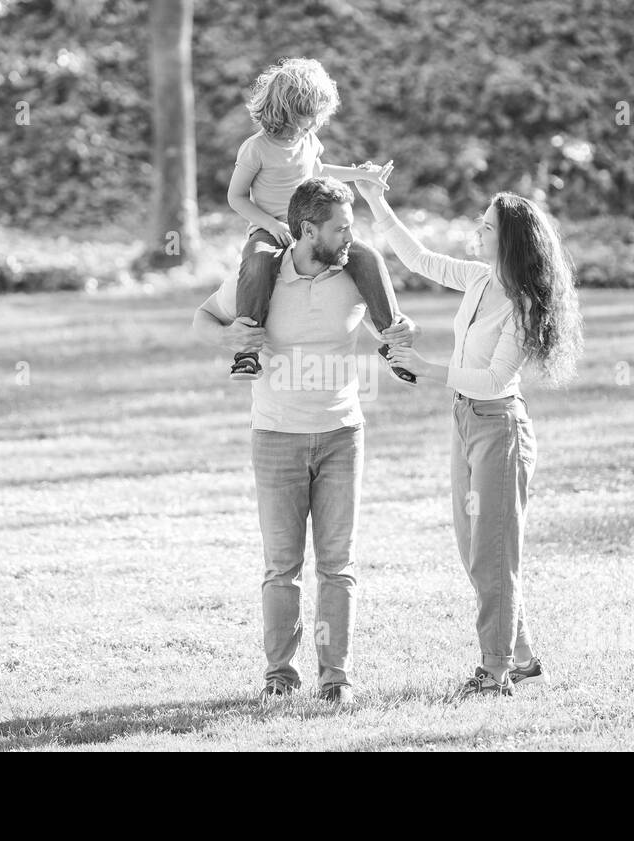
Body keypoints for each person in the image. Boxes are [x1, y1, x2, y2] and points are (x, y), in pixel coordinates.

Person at [354, 166, 584, 697]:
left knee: (493, 553)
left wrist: (424, 366)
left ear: (508, 241)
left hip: (499, 427)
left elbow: (494, 378)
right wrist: (375, 201)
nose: (475, 234)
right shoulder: (481, 279)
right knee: (473, 547)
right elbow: (418, 259)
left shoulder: (523, 304)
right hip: (465, 421)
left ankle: (494, 671)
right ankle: (521, 657)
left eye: (485, 228)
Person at [192, 177, 418, 706]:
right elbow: (202, 318)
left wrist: (402, 340)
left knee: (338, 564)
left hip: (342, 434)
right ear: (308, 230)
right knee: (282, 567)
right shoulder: (263, 275)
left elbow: (395, 325)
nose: (350, 236)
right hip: (276, 436)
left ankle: (335, 676)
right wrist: (228, 337)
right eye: (341, 227)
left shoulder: (357, 272)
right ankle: (280, 674)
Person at [225, 57, 416, 385]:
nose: (314, 122)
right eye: (308, 114)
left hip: (313, 227)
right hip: (271, 228)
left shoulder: (307, 141)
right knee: (257, 262)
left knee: (367, 257)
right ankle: (247, 353)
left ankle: (392, 342)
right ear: (286, 108)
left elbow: (319, 171)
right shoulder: (255, 149)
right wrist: (271, 226)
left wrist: (359, 172)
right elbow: (236, 197)